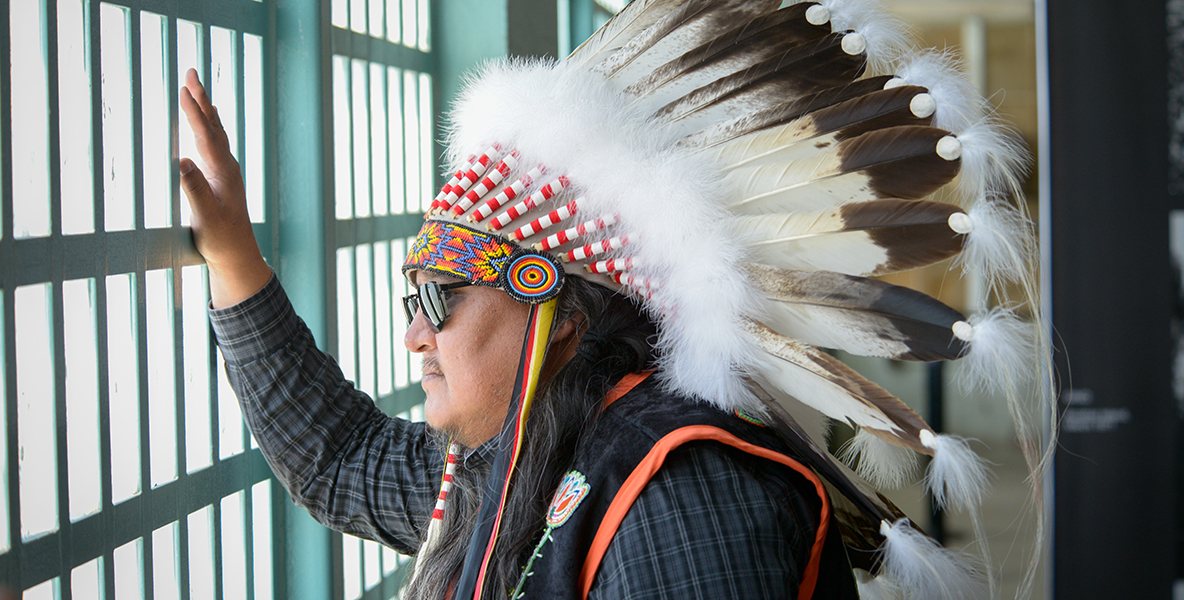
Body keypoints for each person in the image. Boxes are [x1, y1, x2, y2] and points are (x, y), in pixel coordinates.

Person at [181, 1, 1051, 599]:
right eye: (413, 294)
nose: (413, 335)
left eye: (439, 294)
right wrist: (233, 257)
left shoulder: (685, 489)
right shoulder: (524, 455)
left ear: (551, 304)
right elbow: (340, 463)